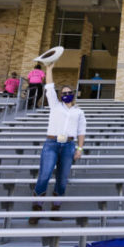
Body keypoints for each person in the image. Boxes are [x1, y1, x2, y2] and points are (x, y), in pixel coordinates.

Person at [29, 62, 86, 225]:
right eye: (64, 92)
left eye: (69, 92)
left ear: (73, 94)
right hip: (52, 143)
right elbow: (49, 86)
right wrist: (49, 69)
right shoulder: (55, 105)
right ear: (60, 95)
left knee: (62, 179)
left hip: (69, 145)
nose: (66, 94)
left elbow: (81, 132)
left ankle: (56, 209)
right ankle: (37, 209)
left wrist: (79, 149)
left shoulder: (79, 111)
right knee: (45, 175)